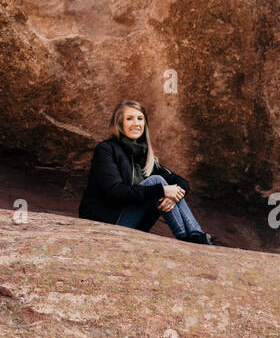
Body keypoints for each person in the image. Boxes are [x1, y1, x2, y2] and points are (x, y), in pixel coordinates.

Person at [77, 100, 216, 245]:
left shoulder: (144, 155)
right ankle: (189, 236)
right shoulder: (106, 149)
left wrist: (171, 197)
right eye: (129, 119)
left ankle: (195, 235)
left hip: (134, 223)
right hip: (107, 222)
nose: (136, 123)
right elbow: (115, 192)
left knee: (164, 185)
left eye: (140, 118)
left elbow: (182, 182)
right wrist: (160, 190)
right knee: (156, 181)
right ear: (119, 124)